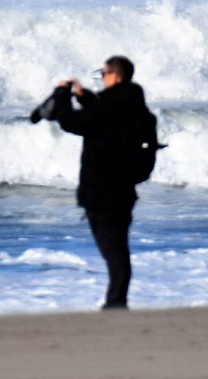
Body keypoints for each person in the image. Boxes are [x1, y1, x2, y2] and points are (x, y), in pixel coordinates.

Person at [49, 55, 155, 310]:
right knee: (117, 247)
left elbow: (70, 122)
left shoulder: (107, 109)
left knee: (113, 250)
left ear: (115, 76)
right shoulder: (139, 111)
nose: (103, 79)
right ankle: (116, 300)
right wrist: (85, 97)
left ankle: (116, 302)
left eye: (104, 74)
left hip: (101, 192)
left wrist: (62, 96)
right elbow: (104, 118)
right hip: (124, 189)